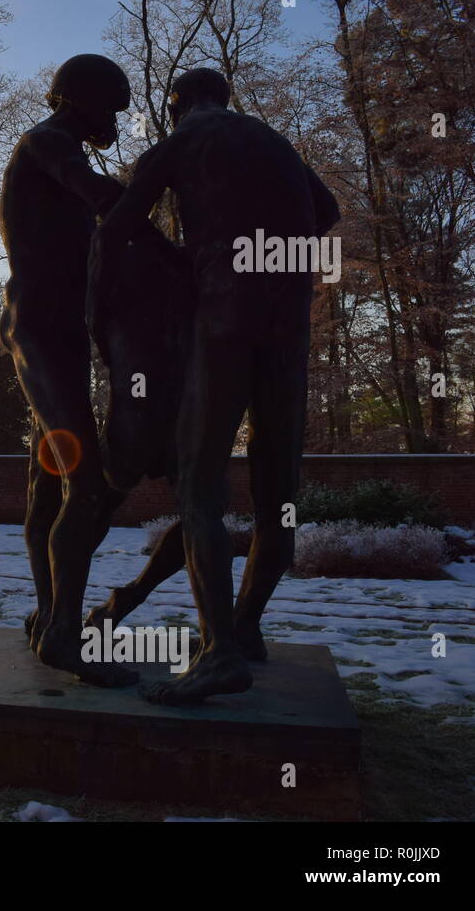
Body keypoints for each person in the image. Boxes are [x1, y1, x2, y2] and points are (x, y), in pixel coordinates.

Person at [95, 68, 340, 704]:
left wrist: (179, 266)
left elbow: (117, 225)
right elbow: (329, 209)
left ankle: (218, 652)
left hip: (224, 319)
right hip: (288, 327)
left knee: (201, 485)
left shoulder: (178, 144)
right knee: (276, 494)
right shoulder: (273, 141)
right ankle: (246, 627)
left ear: (176, 105)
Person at [0, 54, 182, 685]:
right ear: (79, 100)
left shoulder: (64, 153)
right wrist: (168, 246)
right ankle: (62, 636)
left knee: (47, 488)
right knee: (89, 485)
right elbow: (104, 197)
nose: (115, 121)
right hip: (40, 332)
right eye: (111, 107)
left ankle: (48, 617)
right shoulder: (47, 142)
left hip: (64, 336)